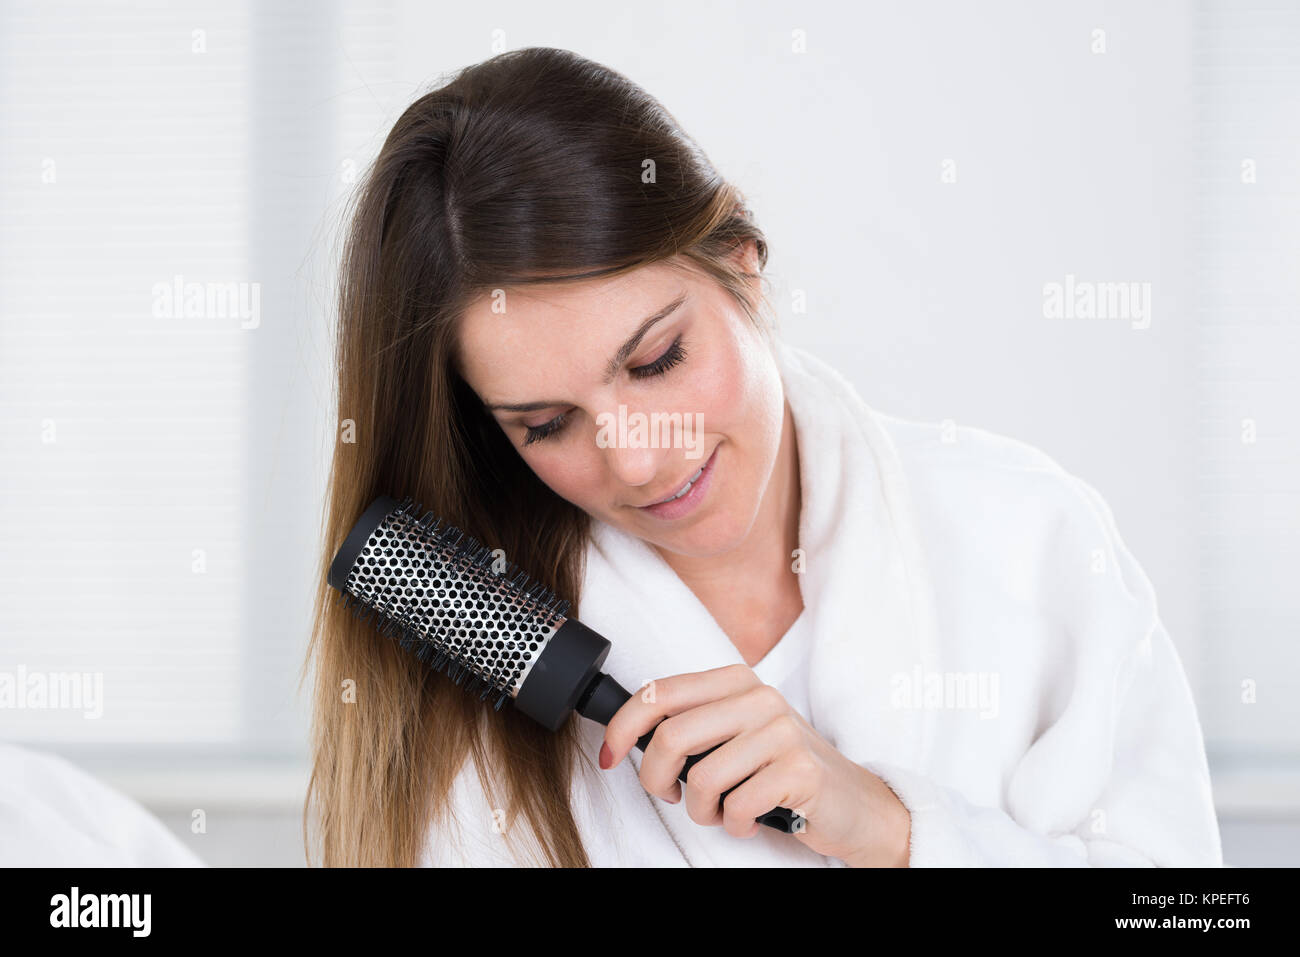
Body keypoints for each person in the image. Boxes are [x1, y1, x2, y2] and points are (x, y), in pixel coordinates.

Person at [302, 46, 1222, 868]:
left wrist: (895, 830)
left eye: (657, 360)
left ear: (741, 264)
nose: (634, 461)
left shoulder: (1031, 537)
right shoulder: (460, 702)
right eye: (547, 424)